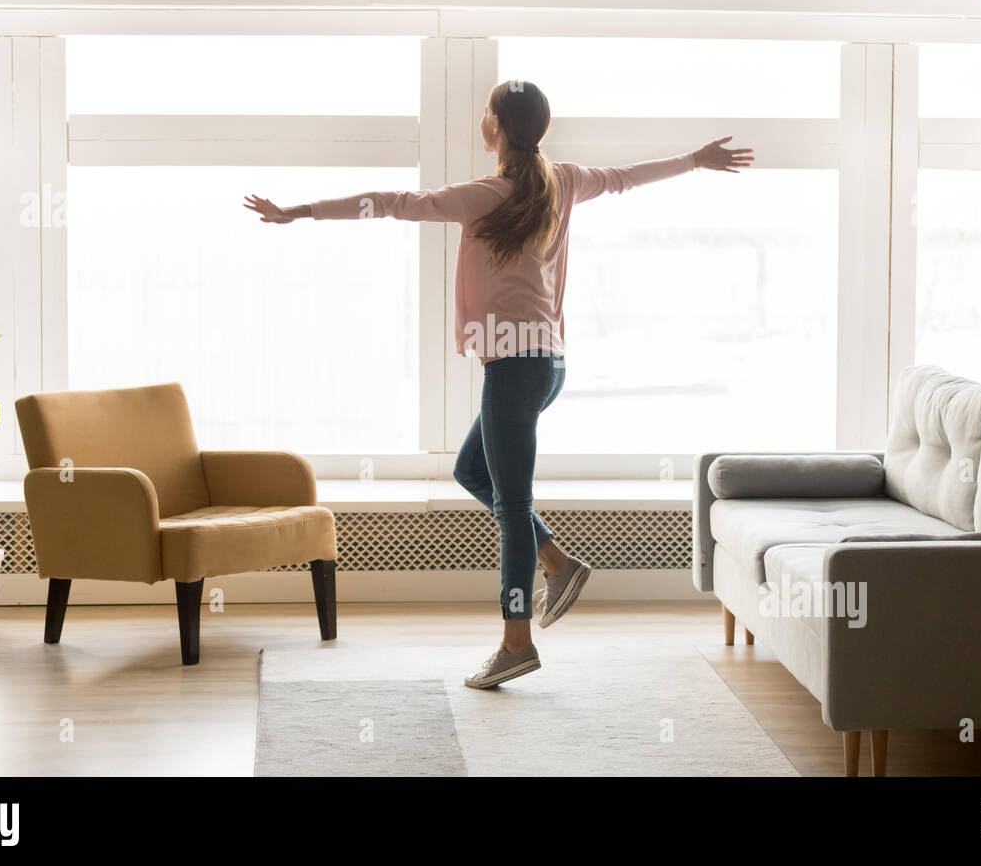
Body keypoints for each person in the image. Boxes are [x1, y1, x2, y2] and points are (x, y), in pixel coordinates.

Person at [244, 80, 753, 689]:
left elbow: (391, 202)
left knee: (511, 507)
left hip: (515, 370)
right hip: (545, 365)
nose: (481, 117)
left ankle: (516, 641)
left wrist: (297, 213)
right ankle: (557, 562)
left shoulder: (487, 195)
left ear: (496, 127)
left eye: (484, 111)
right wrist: (693, 161)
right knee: (472, 472)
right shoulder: (562, 181)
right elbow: (624, 177)